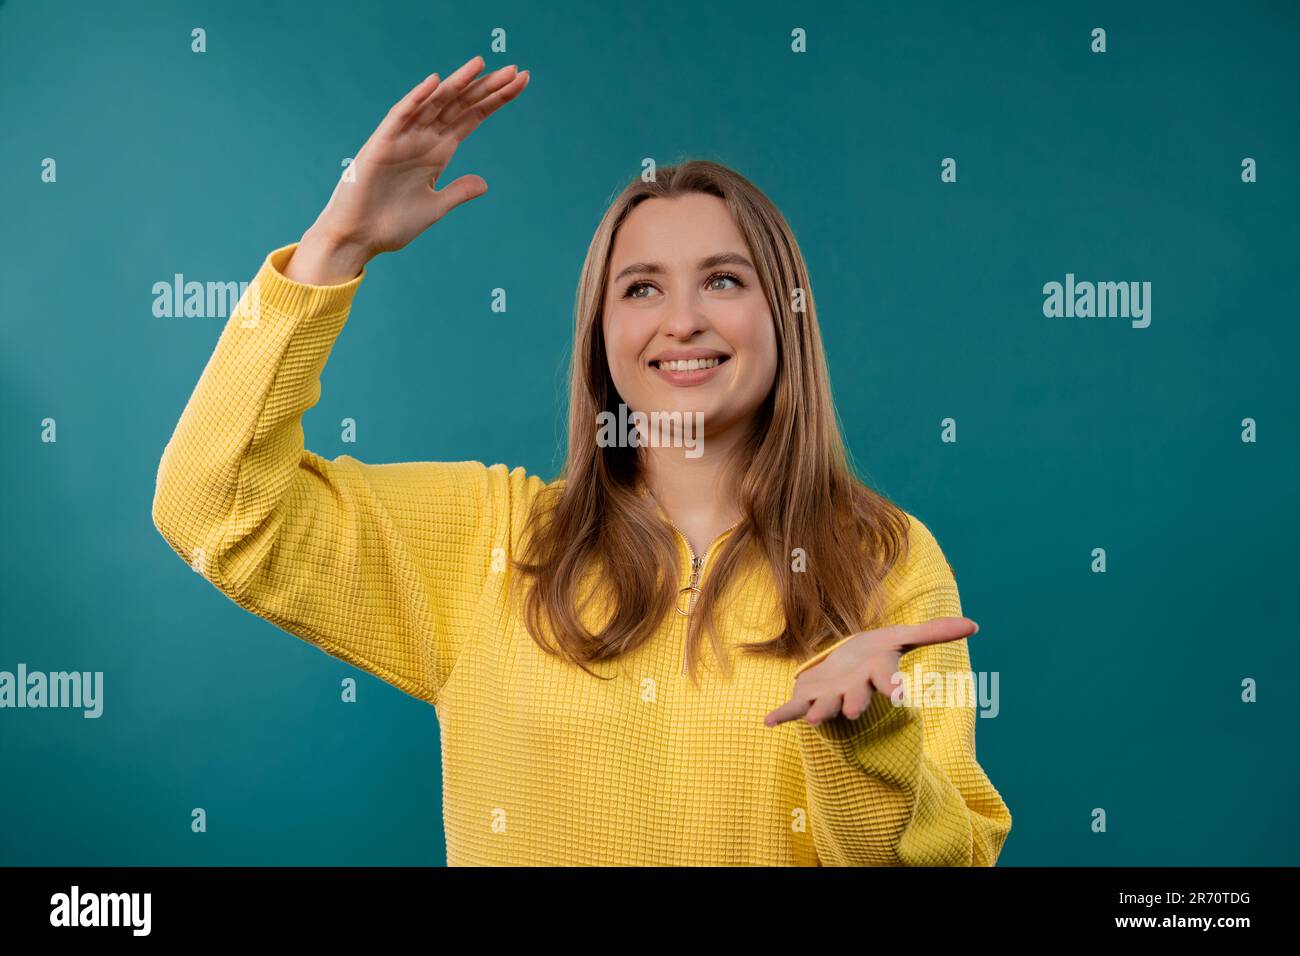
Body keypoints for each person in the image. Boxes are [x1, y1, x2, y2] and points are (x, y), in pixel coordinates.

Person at [152, 54, 1012, 866]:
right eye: (641, 288)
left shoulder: (889, 564)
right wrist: (335, 246)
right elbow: (212, 506)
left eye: (723, 280)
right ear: (602, 338)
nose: (682, 321)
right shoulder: (488, 542)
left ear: (784, 317)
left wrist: (869, 743)